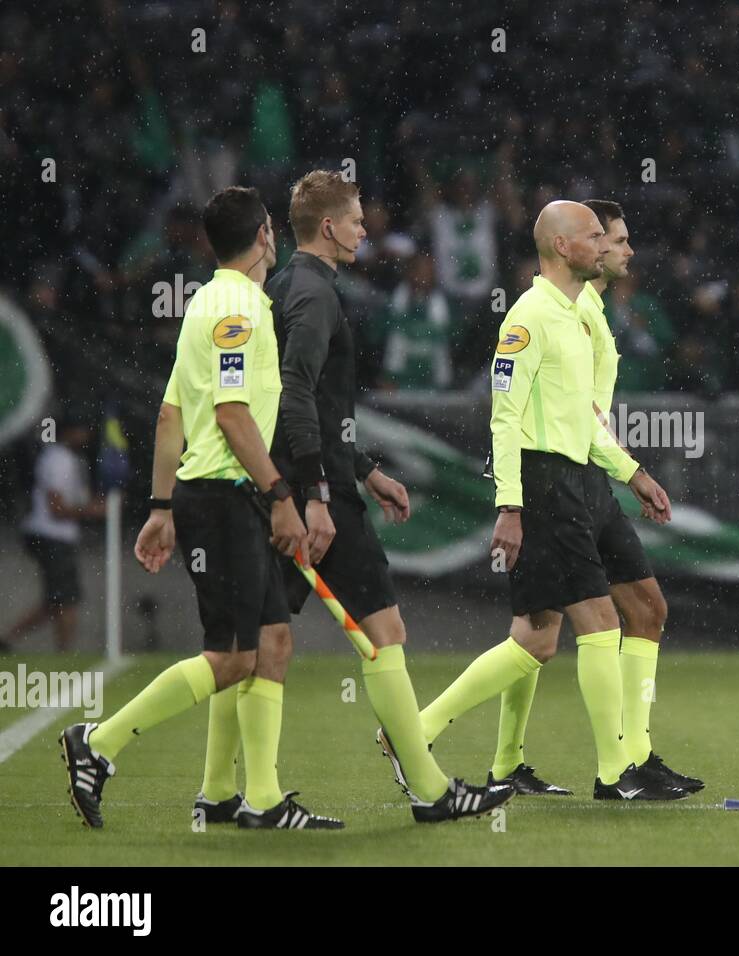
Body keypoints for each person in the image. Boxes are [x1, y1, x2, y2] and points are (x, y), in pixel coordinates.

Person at [196, 168, 511, 824]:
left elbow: (304, 404)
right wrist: (316, 494)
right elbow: (299, 392)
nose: (367, 229)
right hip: (312, 493)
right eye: (358, 219)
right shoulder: (314, 293)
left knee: (261, 645)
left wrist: (365, 468)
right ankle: (428, 790)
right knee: (384, 629)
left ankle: (222, 791)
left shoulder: (285, 287)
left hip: (285, 484)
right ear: (331, 226)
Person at [60, 186, 341, 829]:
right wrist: (280, 497)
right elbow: (233, 415)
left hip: (209, 493)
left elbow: (169, 415)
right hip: (226, 497)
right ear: (267, 235)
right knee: (234, 655)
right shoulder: (241, 309)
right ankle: (97, 744)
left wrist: (160, 506)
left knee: (271, 642)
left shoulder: (203, 303)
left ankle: (241, 797)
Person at [409, 201, 685, 800]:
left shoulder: (578, 308)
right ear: (566, 246)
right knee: (578, 627)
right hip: (546, 483)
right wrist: (510, 506)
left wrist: (630, 471)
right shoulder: (530, 318)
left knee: (566, 625)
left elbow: (581, 416)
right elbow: (504, 417)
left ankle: (603, 761)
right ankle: (617, 772)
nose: (619, 250)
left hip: (584, 478)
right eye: (601, 237)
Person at [2, 413, 104, 653]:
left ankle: (7, 639)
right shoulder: (58, 460)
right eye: (82, 430)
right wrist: (95, 510)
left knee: (56, 599)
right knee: (66, 598)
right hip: (50, 535)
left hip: (54, 536)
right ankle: (65, 654)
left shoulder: (68, 459)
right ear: (69, 432)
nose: (86, 436)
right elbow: (57, 508)